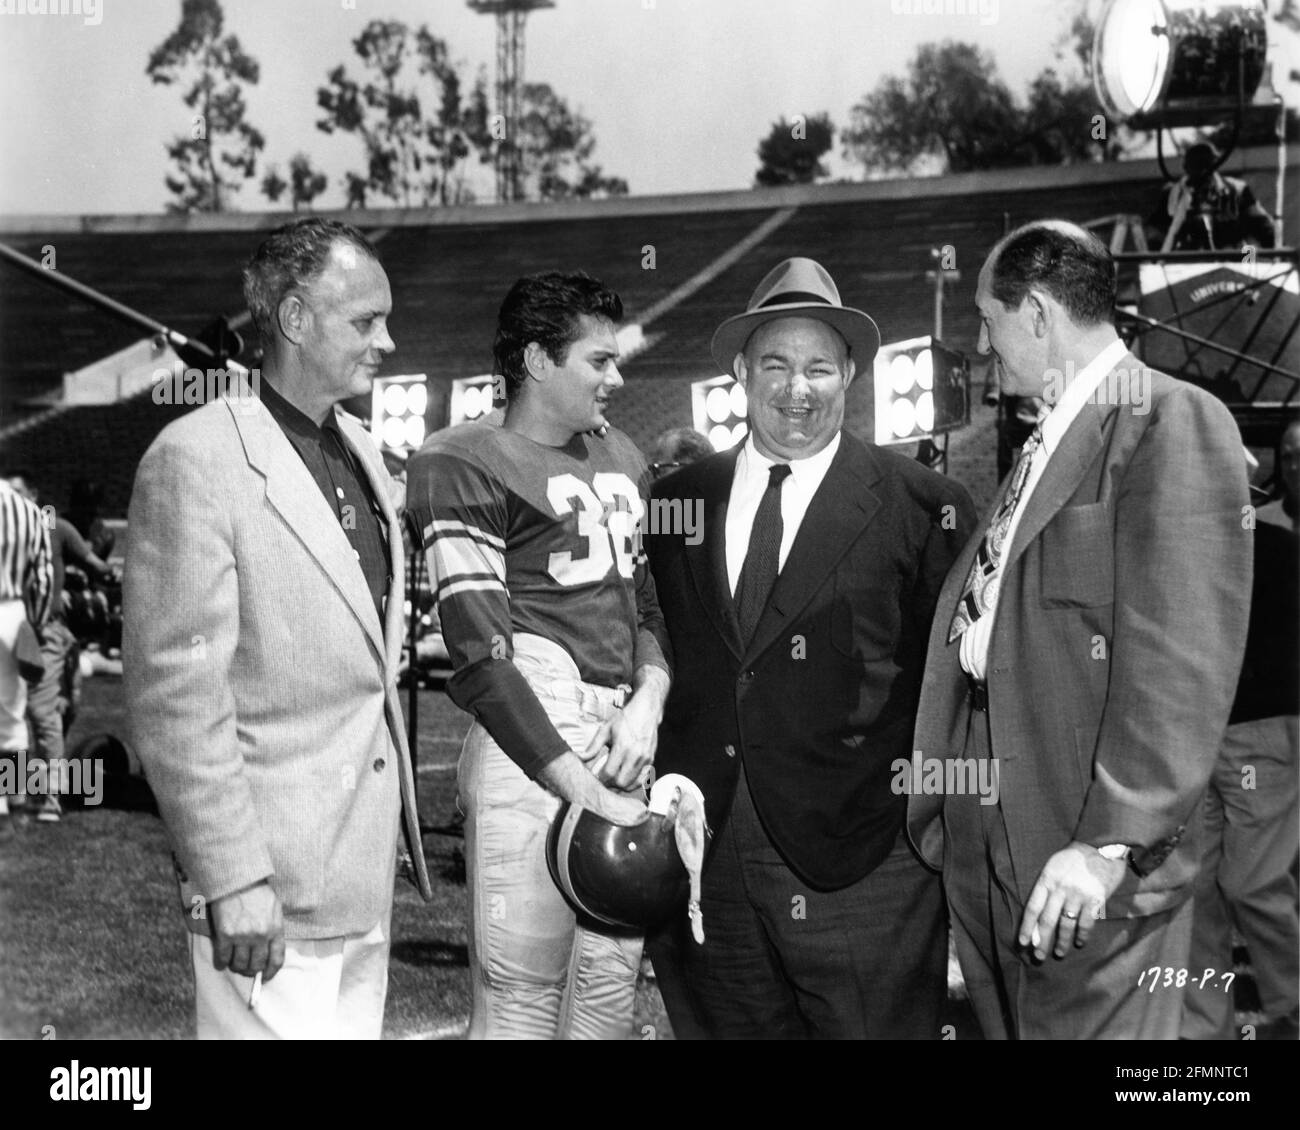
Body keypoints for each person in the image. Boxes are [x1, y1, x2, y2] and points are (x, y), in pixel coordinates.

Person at [908, 220, 1252, 1040]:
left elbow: (1180, 666)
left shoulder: (1174, 420)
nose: (985, 352)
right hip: (992, 834)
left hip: (1082, 850)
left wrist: (1107, 844)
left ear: (1037, 314)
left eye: (988, 324)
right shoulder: (1044, 440)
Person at [643, 256, 976, 1039]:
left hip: (864, 868)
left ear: (851, 375)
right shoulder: (677, 503)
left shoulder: (927, 507)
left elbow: (957, 687)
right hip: (709, 863)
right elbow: (659, 632)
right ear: (740, 371)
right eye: (777, 366)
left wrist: (929, 830)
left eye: (820, 368)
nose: (798, 389)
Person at [123, 217, 432, 1039]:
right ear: (294, 321)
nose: (389, 342)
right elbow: (175, 696)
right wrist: (231, 877)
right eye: (366, 321)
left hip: (360, 884)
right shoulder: (196, 459)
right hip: (267, 887)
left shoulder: (362, 449)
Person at [406, 271, 672, 1040]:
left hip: (624, 733)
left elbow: (648, 606)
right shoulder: (462, 458)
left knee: (606, 1005)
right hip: (537, 737)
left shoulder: (621, 454)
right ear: (535, 360)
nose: (617, 378)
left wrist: (649, 701)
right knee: (521, 1001)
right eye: (598, 360)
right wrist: (573, 782)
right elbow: (484, 659)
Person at [1182, 417, 1299, 1041]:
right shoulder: (1181, 546)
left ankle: (1292, 1006)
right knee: (1194, 892)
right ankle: (1207, 1035)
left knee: (1250, 883)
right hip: (1197, 735)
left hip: (1262, 731)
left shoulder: (1278, 549)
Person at [6, 470, 116, 823]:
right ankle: (19, 790)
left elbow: (94, 563)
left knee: (42, 712)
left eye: (17, 491)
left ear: (36, 494)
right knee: (21, 712)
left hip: (45, 632)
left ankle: (49, 796)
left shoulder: (53, 526)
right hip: (14, 628)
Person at [0, 476, 53, 841]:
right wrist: (36, 620)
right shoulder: (30, 511)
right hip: (14, 611)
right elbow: (44, 577)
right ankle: (12, 795)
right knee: (12, 710)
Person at [1147, 141, 1276, 253]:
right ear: (1186, 167)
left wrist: (1279, 254)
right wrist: (1157, 262)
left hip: (1235, 262)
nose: (1202, 172)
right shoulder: (1173, 193)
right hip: (1190, 265)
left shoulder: (1236, 189)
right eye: (1197, 165)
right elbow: (1157, 233)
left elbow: (1262, 226)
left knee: (1250, 251)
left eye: (1205, 164)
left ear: (1215, 164)